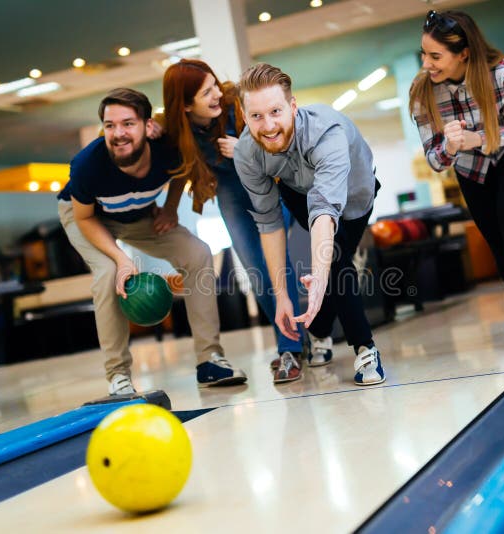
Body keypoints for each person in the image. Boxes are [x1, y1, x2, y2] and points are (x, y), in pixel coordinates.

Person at [57, 88, 247, 395]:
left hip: (140, 214)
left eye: (128, 123)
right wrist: (121, 258)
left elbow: (181, 171)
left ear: (148, 126)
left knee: (197, 253)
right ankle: (118, 376)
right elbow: (85, 218)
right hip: (90, 218)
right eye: (110, 125)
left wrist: (170, 208)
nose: (118, 133)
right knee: (109, 273)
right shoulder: (87, 164)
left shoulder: (167, 150)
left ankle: (210, 360)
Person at [233, 63, 386, 386]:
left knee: (332, 263)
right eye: (256, 116)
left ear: (292, 106)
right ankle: (364, 346)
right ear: (244, 116)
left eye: (275, 112)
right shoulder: (247, 152)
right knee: (336, 260)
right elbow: (269, 222)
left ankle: (323, 333)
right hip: (301, 194)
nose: (268, 125)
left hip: (354, 196)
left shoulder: (326, 132)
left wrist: (319, 276)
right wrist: (282, 296)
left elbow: (325, 211)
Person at [162, 59, 306, 384]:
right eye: (206, 93)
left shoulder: (237, 107)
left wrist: (245, 149)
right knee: (256, 273)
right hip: (231, 195)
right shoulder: (182, 133)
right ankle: (294, 341)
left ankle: (291, 349)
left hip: (268, 187)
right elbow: (180, 169)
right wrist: (170, 209)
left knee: (276, 264)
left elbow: (281, 143)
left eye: (214, 85)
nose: (216, 94)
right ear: (185, 105)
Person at [409, 10, 504, 349]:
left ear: (463, 53)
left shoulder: (501, 74)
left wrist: (479, 138)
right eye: (424, 54)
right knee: (494, 238)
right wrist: (452, 146)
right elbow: (434, 159)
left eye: (435, 56)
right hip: (470, 165)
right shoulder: (422, 92)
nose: (426, 64)